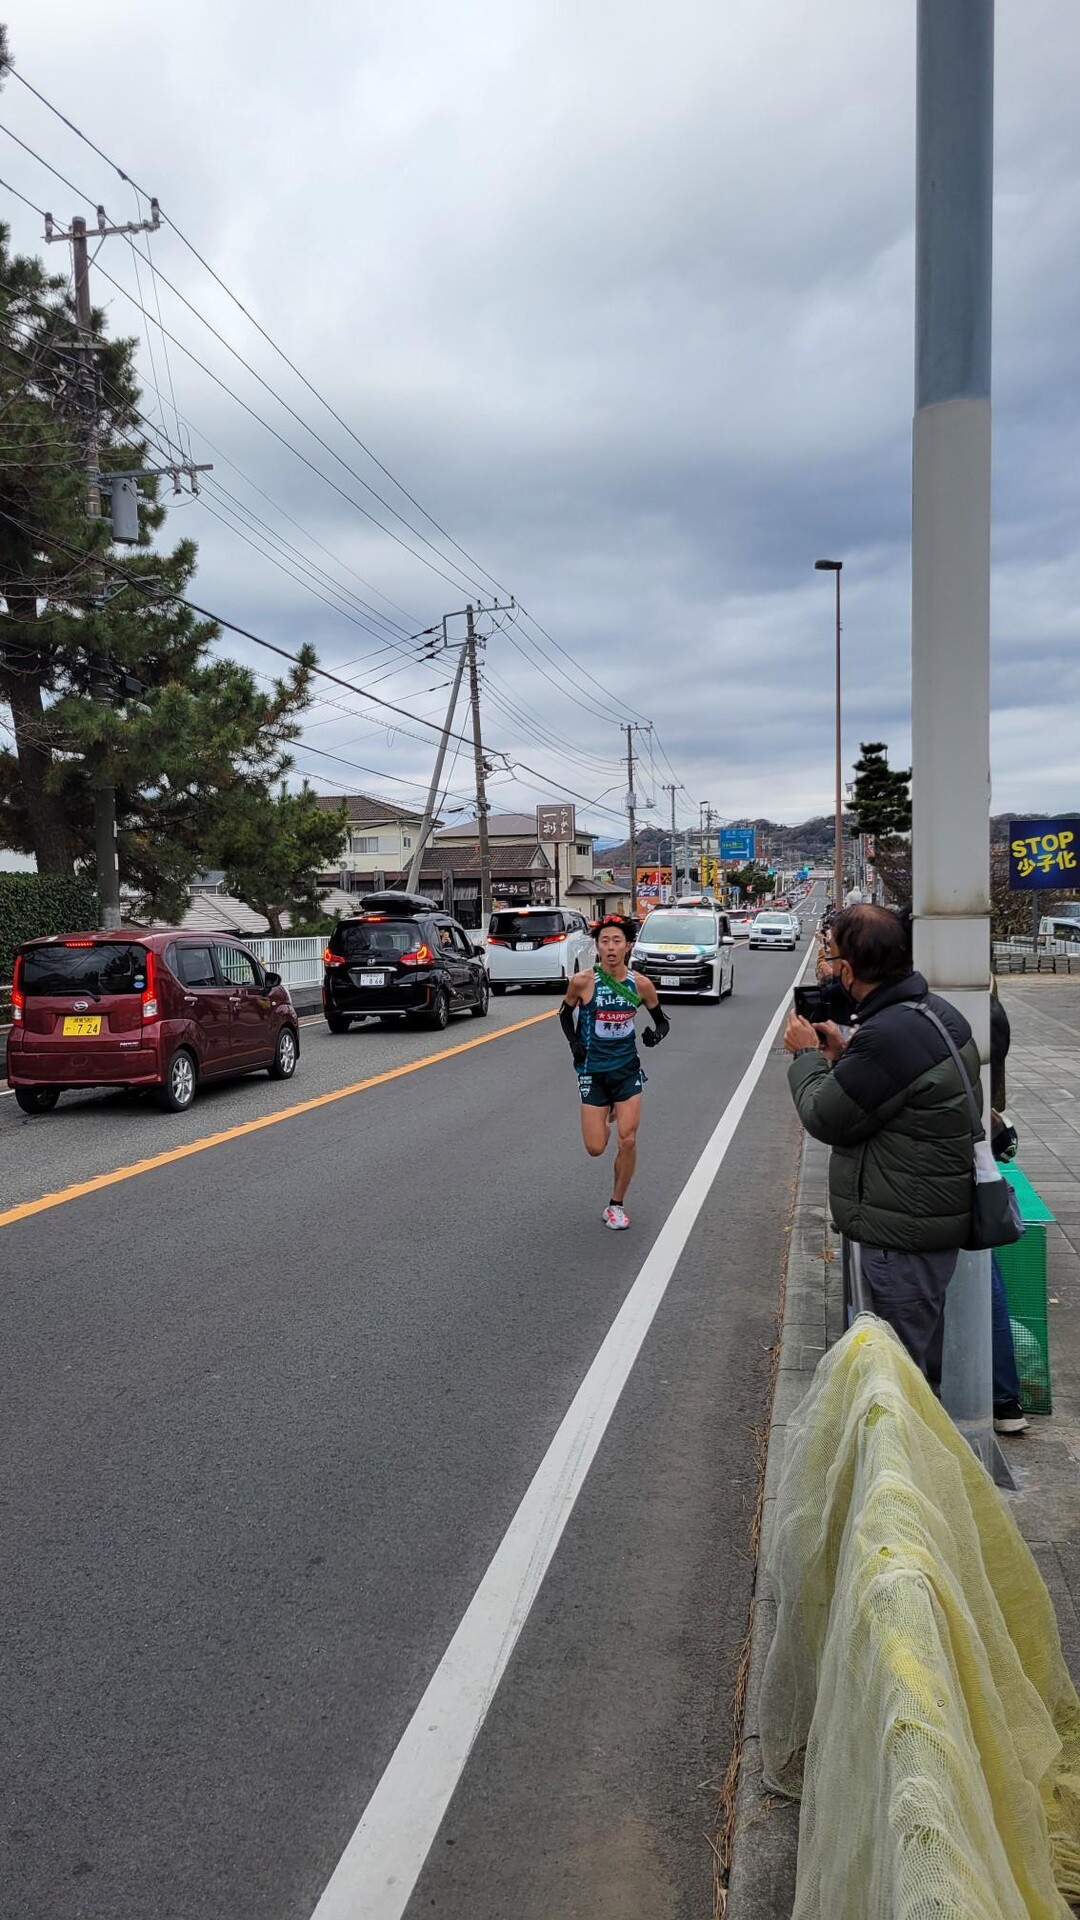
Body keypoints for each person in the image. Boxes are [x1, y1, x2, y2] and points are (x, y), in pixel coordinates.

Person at [783, 903, 978, 1388]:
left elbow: (825, 1117)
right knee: (912, 1363)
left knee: (898, 1381)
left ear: (848, 970)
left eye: (830, 955)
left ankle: (904, 1464)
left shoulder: (889, 1034)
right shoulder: (932, 1012)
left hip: (900, 1233)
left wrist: (806, 1055)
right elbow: (901, 1092)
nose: (827, 966)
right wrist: (847, 1056)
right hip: (924, 1216)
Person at [559, 915, 670, 1230]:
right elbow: (564, 1013)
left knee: (629, 1139)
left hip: (626, 1071)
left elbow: (662, 1020)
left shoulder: (641, 983)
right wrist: (574, 1043)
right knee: (595, 1148)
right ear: (597, 945)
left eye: (617, 941)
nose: (610, 947)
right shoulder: (582, 981)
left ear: (628, 945)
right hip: (593, 1071)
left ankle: (616, 1205)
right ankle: (605, 1111)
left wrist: (655, 1035)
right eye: (605, 941)